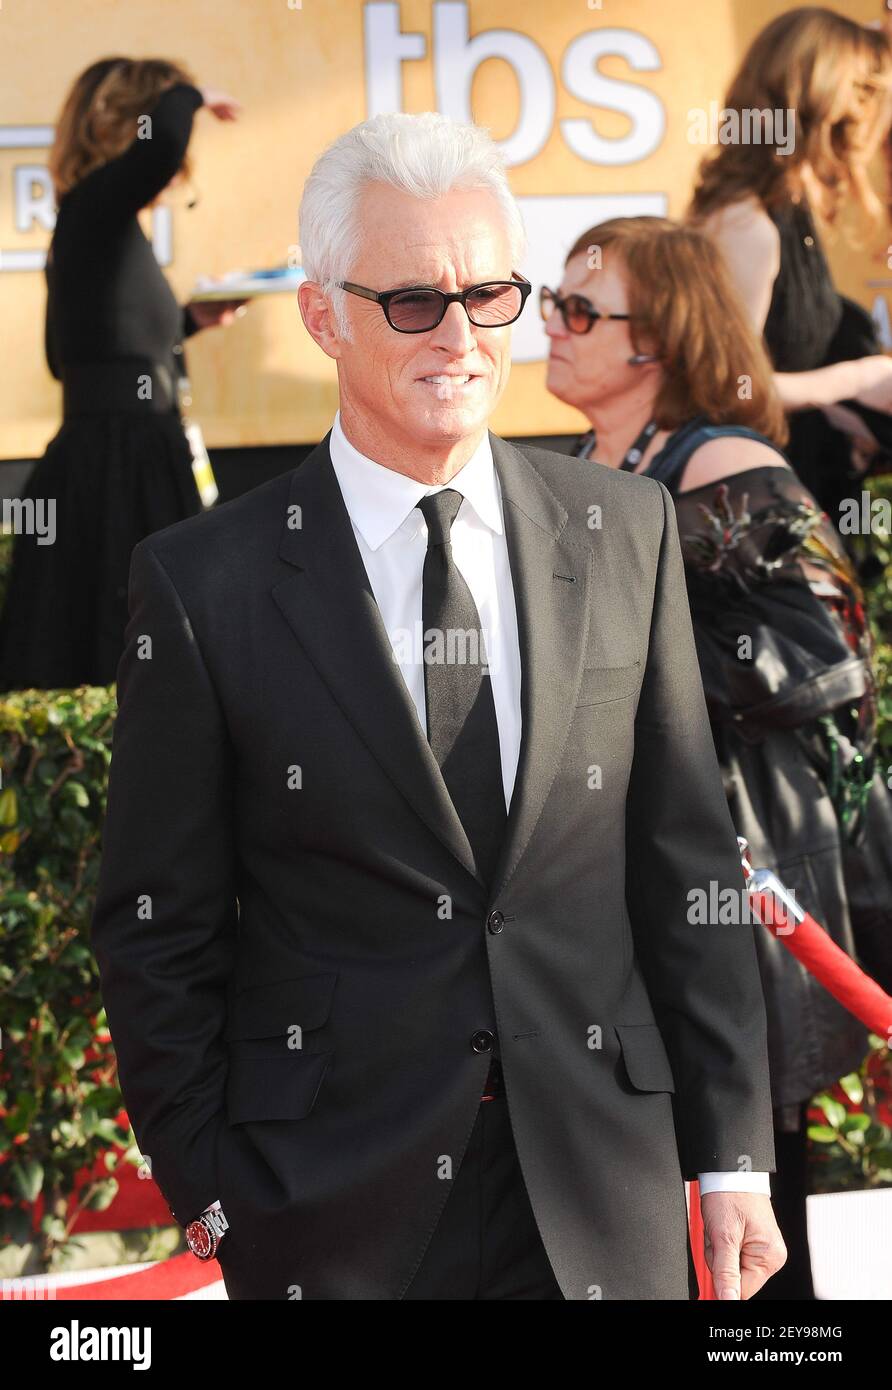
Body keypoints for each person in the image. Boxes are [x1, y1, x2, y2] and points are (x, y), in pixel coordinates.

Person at [90, 112, 785, 1301]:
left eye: (489, 295)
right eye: (414, 301)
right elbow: (158, 924)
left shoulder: (622, 531)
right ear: (323, 316)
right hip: (331, 1207)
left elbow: (682, 862)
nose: (460, 337)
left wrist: (728, 1159)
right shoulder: (206, 582)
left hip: (599, 1188)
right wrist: (217, 1191)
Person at [544, 213, 892, 1299]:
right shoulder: (585, 463)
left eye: (580, 311)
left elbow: (830, 652)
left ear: (657, 338)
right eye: (554, 302)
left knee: (751, 1189)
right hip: (626, 872)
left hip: (744, 868)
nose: (550, 326)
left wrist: (636, 655)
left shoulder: (727, 462)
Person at [0, 57, 245, 692]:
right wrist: (192, 92)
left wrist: (187, 321)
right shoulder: (97, 208)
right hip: (121, 468)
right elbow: (161, 146)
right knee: (137, 660)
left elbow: (74, 353)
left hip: (119, 460)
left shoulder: (93, 222)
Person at [686, 6, 892, 539]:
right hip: (757, 520)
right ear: (834, 106)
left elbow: (774, 364)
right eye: (870, 96)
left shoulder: (783, 208)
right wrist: (858, 380)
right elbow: (728, 389)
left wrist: (844, 415)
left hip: (800, 487)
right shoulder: (747, 224)